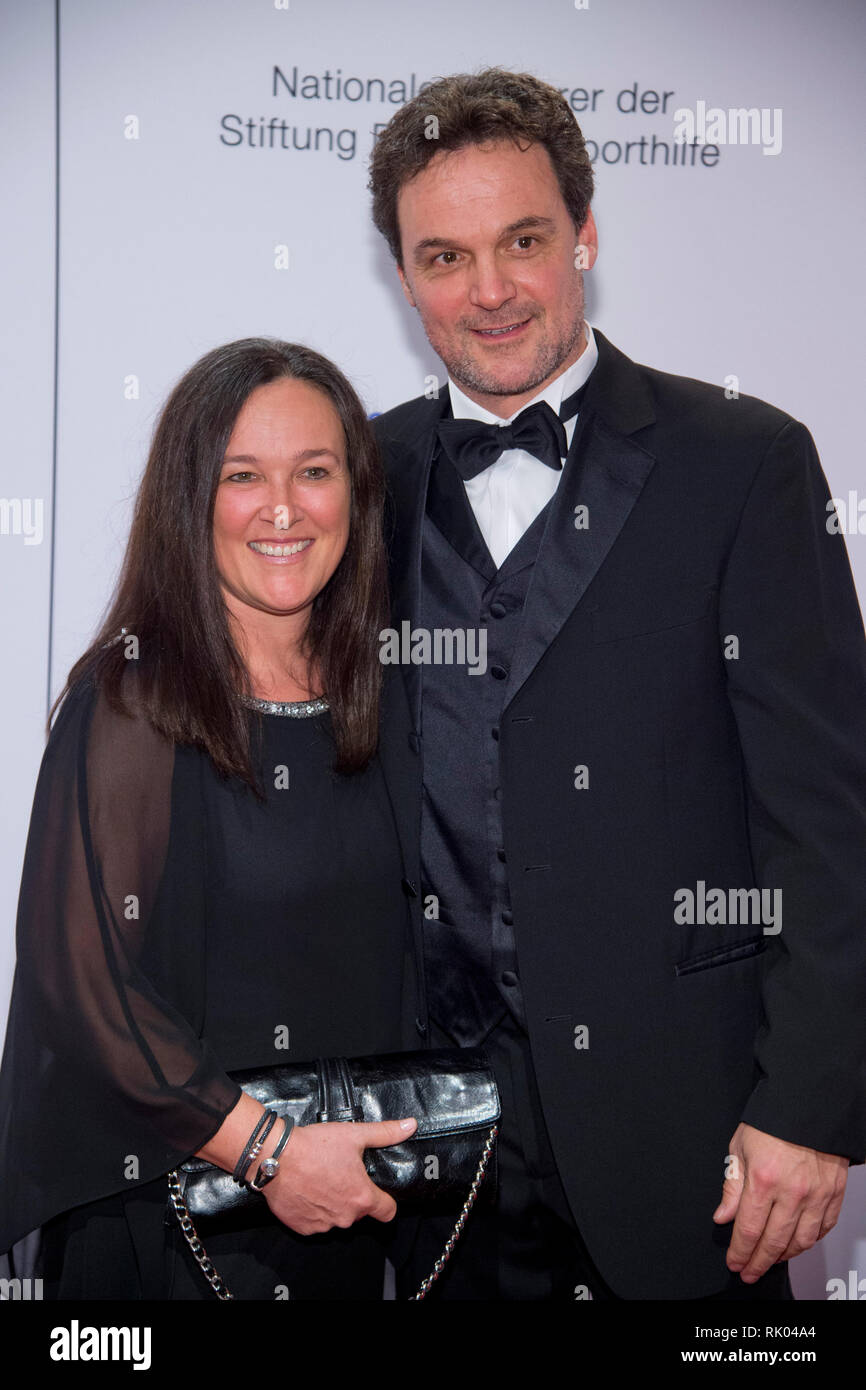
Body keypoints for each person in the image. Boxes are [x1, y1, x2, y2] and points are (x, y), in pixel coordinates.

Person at [367, 68, 866, 1300]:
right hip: (419, 1152)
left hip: (690, 1138)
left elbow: (830, 819)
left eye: (521, 241)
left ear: (583, 237)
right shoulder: (352, 479)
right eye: (443, 256)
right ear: (401, 274)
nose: (487, 291)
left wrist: (811, 1104)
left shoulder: (744, 462)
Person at [0, 338, 426, 1300]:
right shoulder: (133, 700)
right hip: (175, 1227)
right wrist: (272, 1155)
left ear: (355, 494)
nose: (283, 508)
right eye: (244, 476)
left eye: (314, 472)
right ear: (191, 499)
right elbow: (89, 991)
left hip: (347, 1220)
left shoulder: (389, 693)